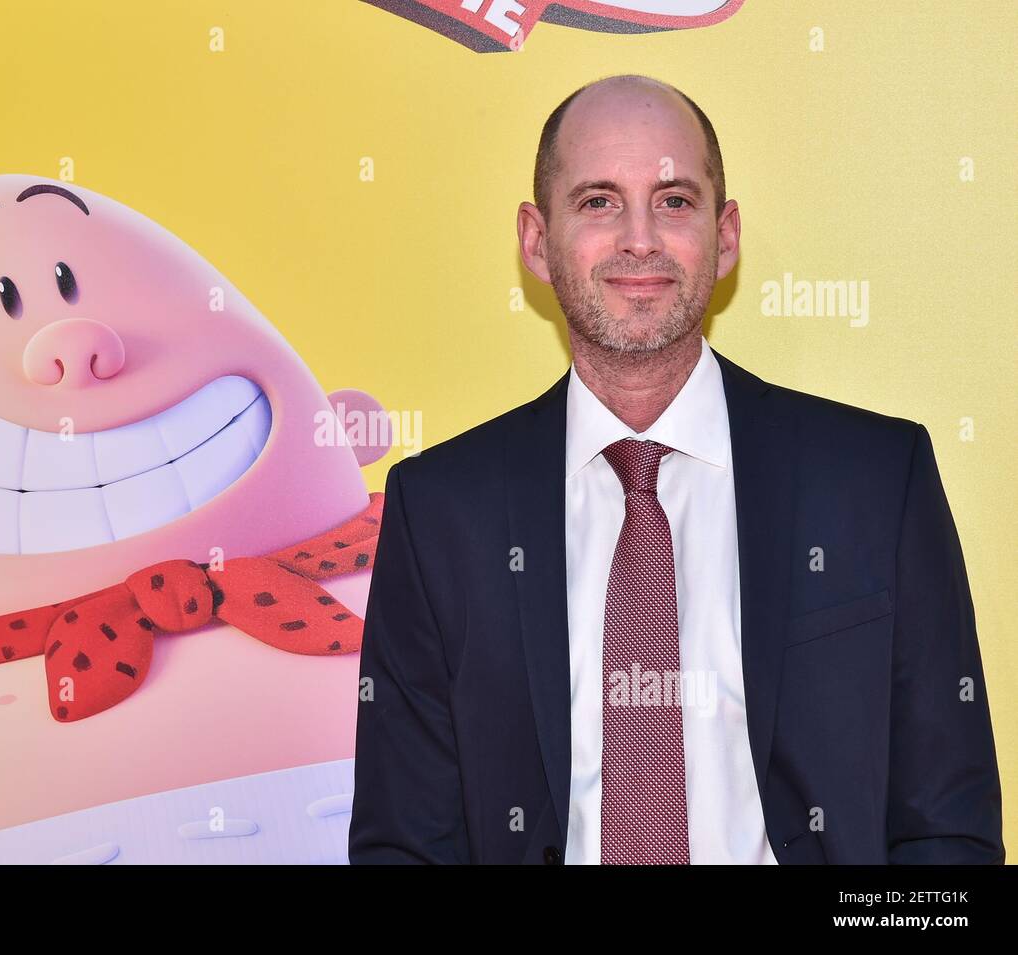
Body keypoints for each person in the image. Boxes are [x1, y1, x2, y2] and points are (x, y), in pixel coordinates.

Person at [347, 74, 1004, 864]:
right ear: (535, 239)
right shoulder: (441, 513)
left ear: (725, 237)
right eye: (597, 201)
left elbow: (948, 834)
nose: (639, 239)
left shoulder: (874, 480)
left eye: (674, 201)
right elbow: (405, 846)